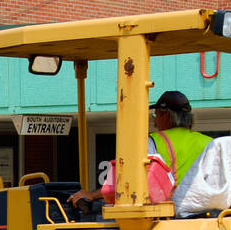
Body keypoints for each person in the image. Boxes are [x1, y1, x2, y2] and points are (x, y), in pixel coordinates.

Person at [66, 89, 212, 213]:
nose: (154, 121)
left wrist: (92, 194)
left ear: (166, 115)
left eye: (155, 115)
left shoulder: (153, 141)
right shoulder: (208, 142)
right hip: (203, 211)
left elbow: (130, 180)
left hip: (170, 212)